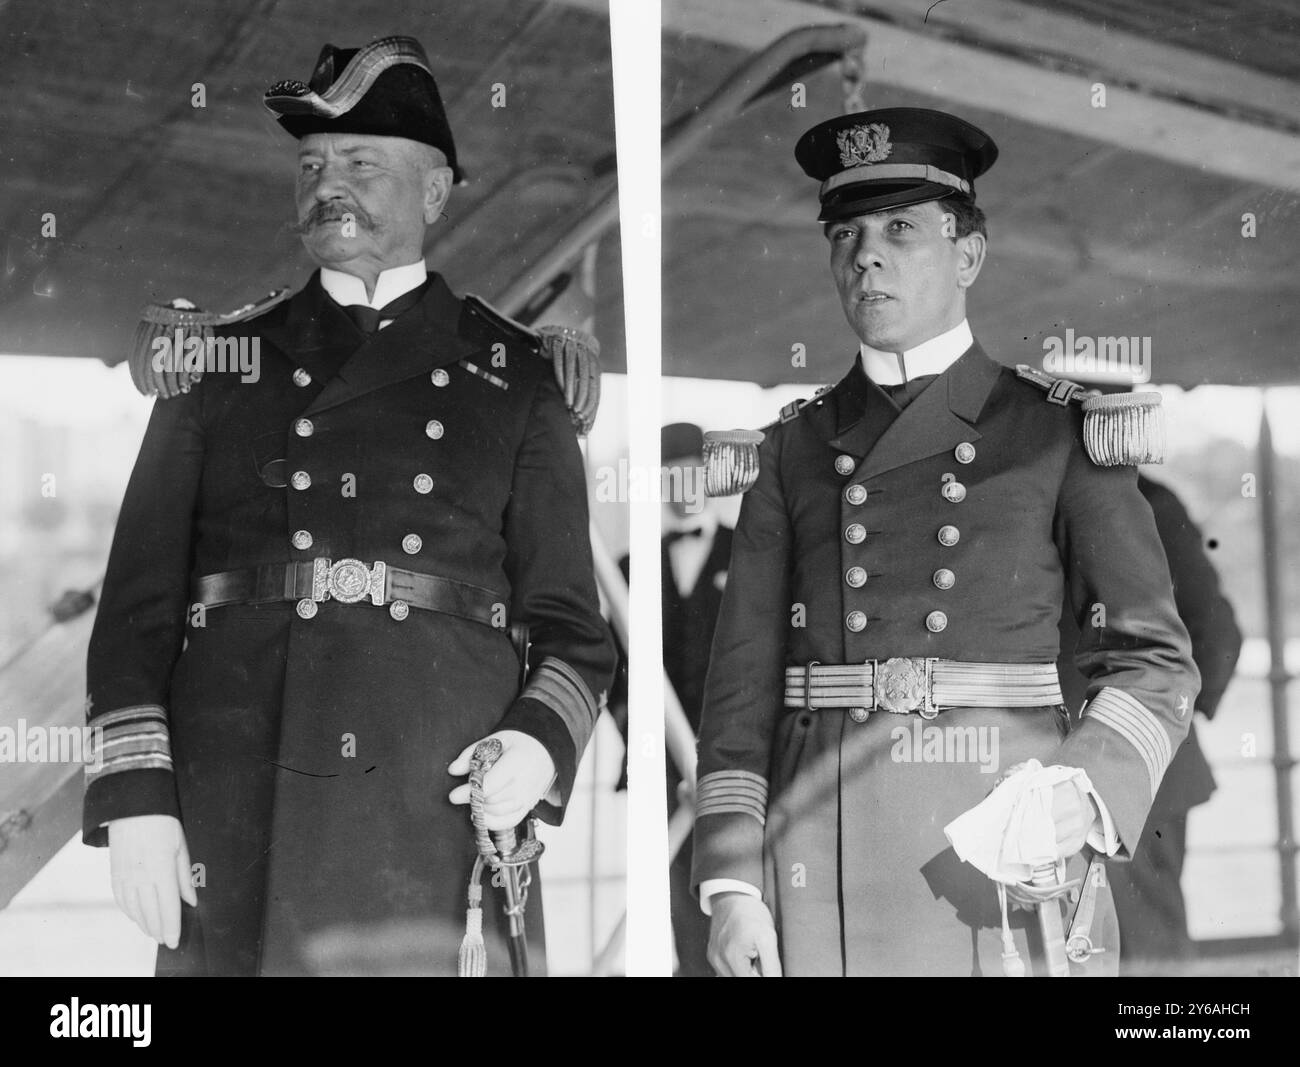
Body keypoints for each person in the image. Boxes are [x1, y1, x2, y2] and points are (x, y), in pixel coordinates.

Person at [82, 36, 614, 976]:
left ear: (436, 193)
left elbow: (575, 629)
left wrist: (538, 745)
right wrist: (137, 800)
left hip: (437, 801)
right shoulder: (215, 364)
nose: (330, 185)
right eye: (313, 166)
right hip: (238, 806)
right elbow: (136, 609)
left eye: (362, 163)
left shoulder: (521, 378)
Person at [691, 107, 1200, 976]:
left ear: (968, 255)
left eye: (899, 228)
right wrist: (733, 883)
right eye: (845, 234)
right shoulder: (789, 450)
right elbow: (738, 693)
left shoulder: (1058, 432)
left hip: (1000, 851)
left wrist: (1084, 789)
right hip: (823, 868)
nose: (866, 256)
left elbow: (1154, 657)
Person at [1059, 473, 1241, 969]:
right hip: (1139, 763)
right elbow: (1217, 630)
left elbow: (1216, 633)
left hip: (1121, 770)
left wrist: (1167, 722)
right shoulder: (1147, 499)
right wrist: (1173, 718)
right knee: (1142, 942)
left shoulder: (1018, 487)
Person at [612, 423, 731, 975]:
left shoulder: (753, 555)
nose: (682, 488)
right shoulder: (627, 569)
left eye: (692, 475)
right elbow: (615, 679)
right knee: (675, 901)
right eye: (669, 477)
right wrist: (649, 744)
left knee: (736, 894)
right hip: (660, 771)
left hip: (736, 764)